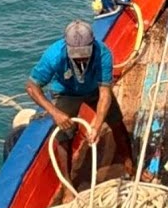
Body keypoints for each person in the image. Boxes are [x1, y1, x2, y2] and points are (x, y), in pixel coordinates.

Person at [24, 19, 136, 178]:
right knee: (63, 136)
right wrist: (55, 113)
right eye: (76, 56)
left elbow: (104, 93)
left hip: (93, 89)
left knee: (117, 122)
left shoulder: (103, 53)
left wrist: (96, 126)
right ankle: (67, 184)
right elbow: (31, 87)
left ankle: (129, 164)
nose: (80, 59)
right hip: (66, 91)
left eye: (84, 54)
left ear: (92, 44)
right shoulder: (54, 55)